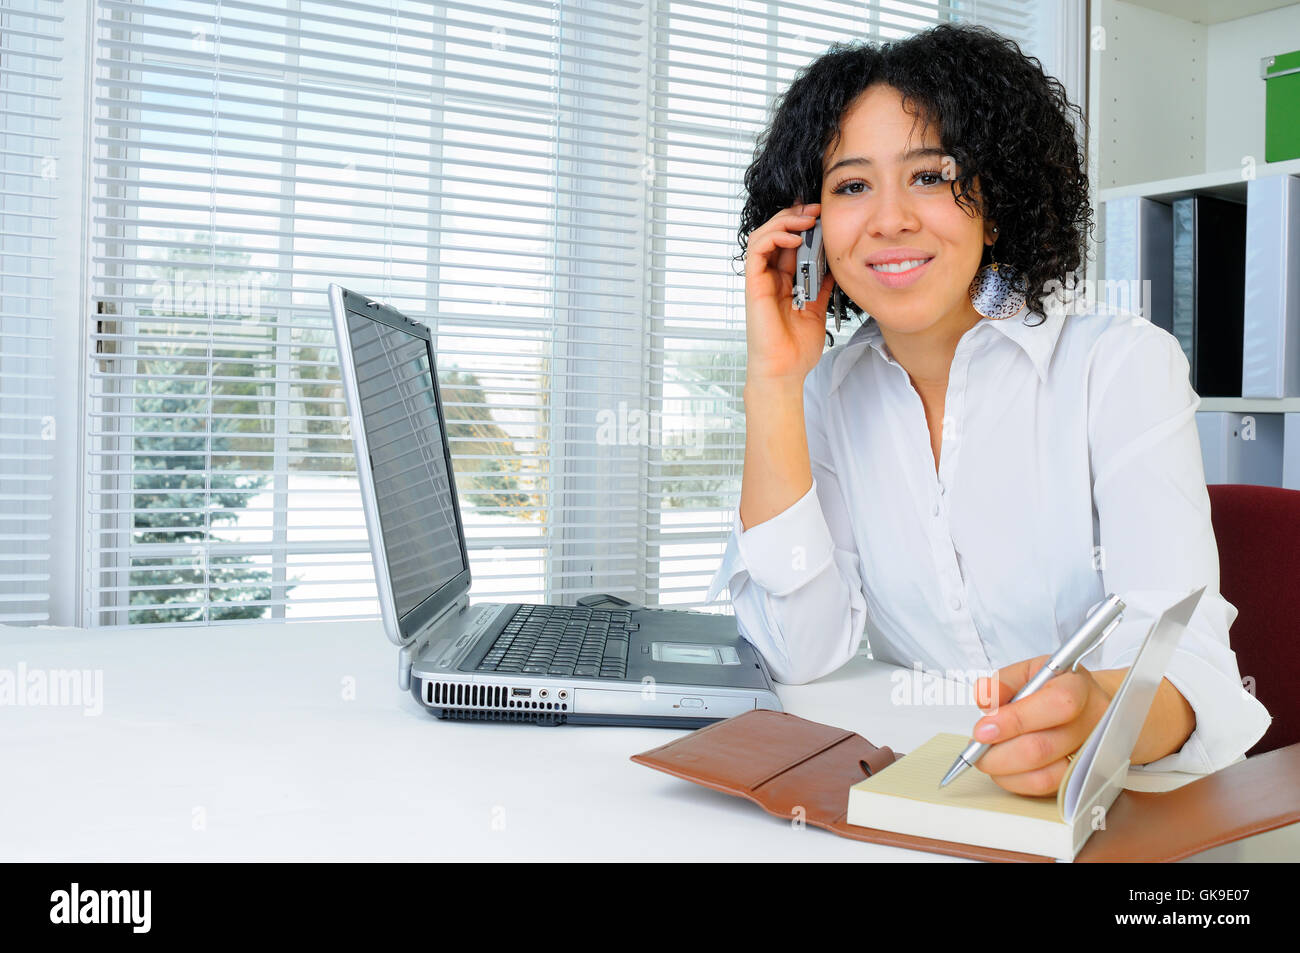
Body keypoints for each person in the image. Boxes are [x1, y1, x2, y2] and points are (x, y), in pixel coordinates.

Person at [705, 22, 1270, 795]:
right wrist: (772, 383)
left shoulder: (1120, 367)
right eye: (851, 185)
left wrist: (1097, 709)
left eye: (931, 176)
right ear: (810, 230)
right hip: (930, 798)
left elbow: (1192, 663)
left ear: (996, 205)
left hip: (1132, 807)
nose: (890, 219)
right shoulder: (823, 396)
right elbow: (796, 653)